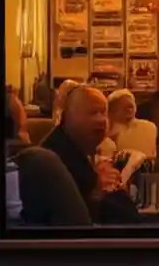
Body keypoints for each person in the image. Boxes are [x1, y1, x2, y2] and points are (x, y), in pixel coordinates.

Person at [35, 85, 138, 224]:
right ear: (68, 116)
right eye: (93, 113)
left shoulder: (80, 147)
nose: (101, 120)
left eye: (103, 113)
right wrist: (99, 187)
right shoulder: (59, 154)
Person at [106, 89, 157, 156]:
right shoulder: (105, 135)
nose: (129, 110)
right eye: (125, 108)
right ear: (110, 112)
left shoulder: (148, 127)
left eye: (130, 107)